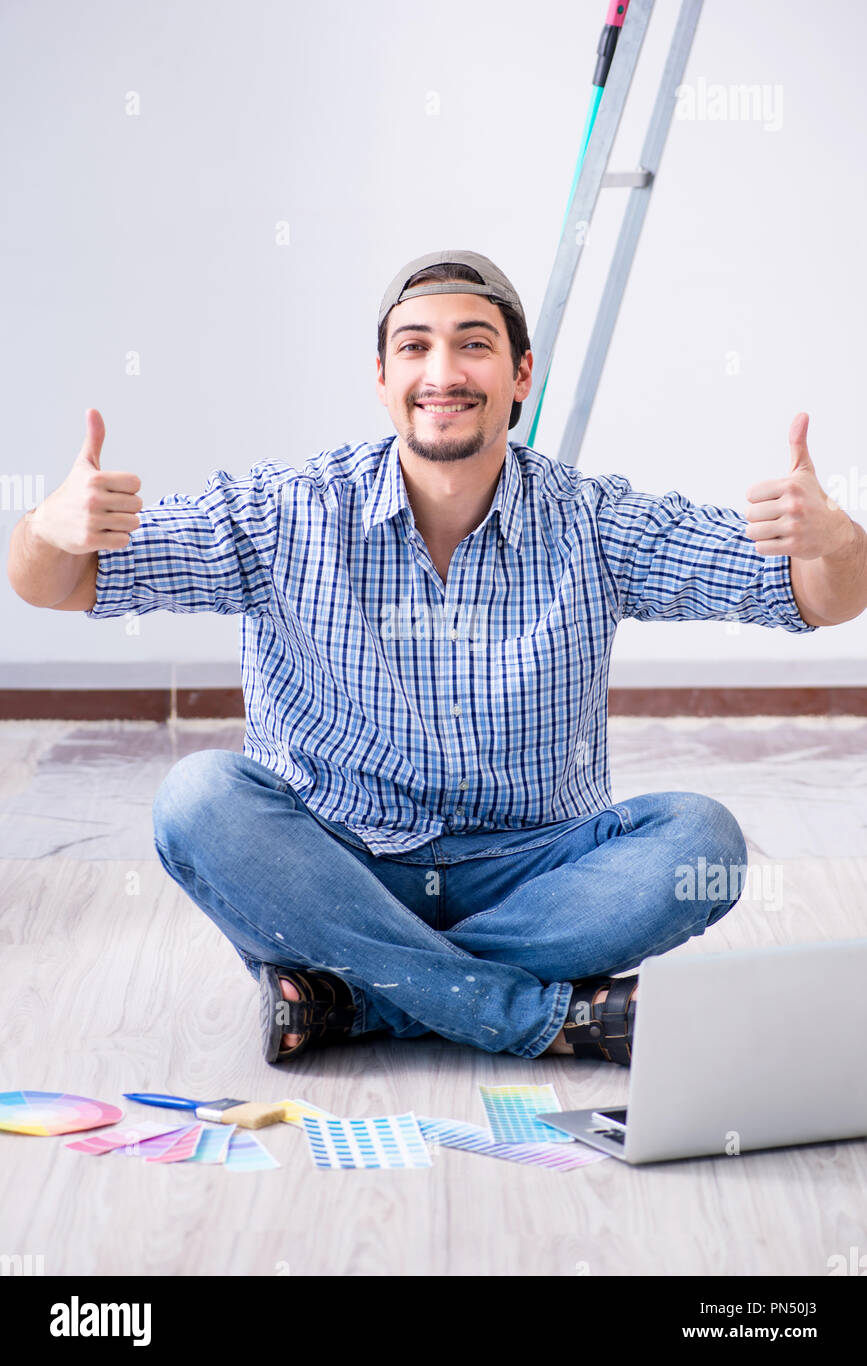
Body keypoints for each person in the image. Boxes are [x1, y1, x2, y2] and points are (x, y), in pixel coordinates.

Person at [8, 250, 866, 1068]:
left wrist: (834, 541)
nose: (443, 372)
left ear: (521, 375)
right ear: (381, 379)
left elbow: (815, 597)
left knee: (697, 841)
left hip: (532, 874)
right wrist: (46, 530)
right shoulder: (286, 511)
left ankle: (357, 997)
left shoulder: (594, 521)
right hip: (334, 867)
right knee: (199, 798)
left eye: (474, 345)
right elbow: (55, 582)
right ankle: (529, 1014)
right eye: (414, 347)